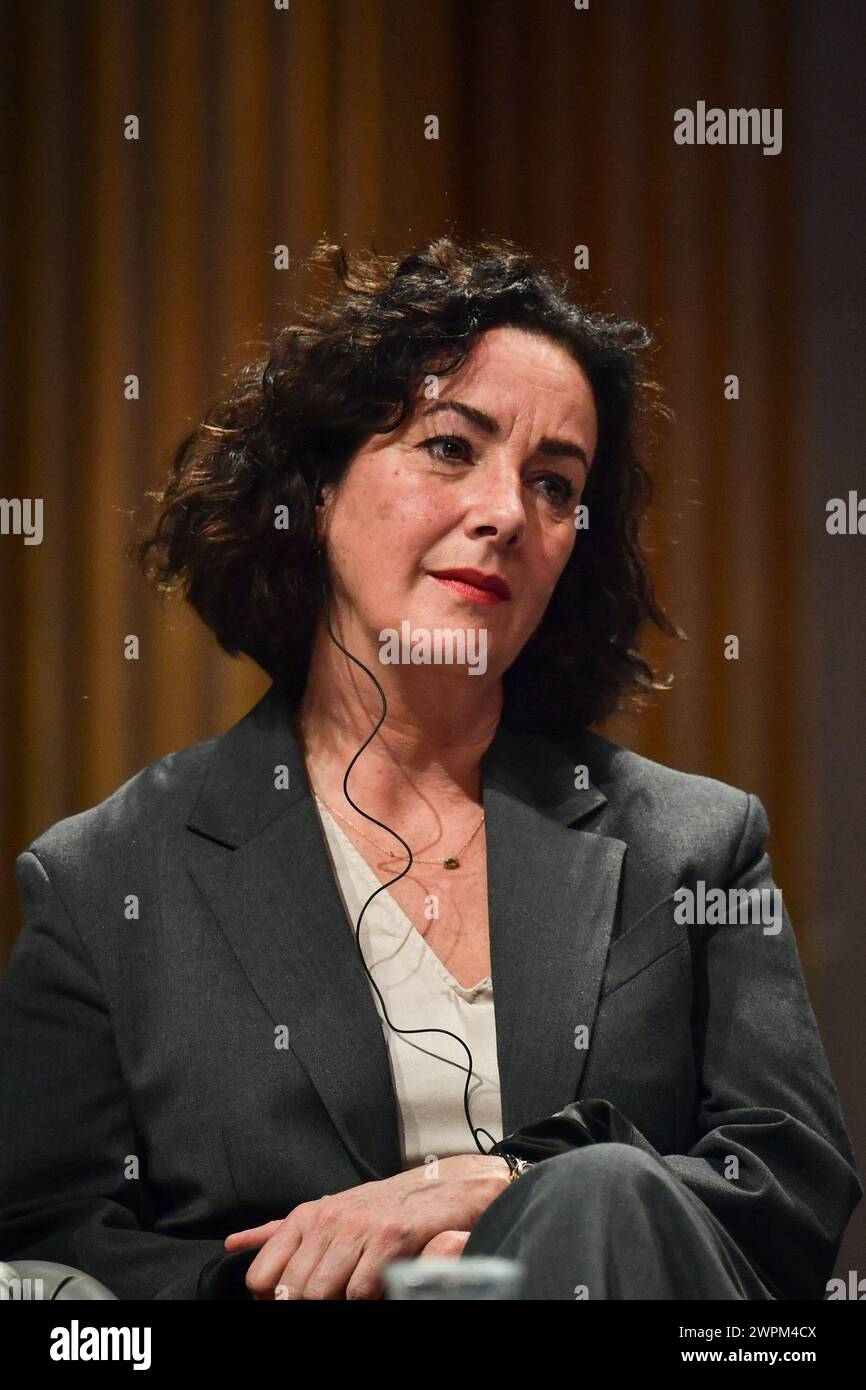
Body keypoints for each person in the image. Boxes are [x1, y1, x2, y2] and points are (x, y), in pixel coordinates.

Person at [0, 236, 861, 1301]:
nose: (506, 511)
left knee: (598, 1192)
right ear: (315, 491)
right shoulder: (104, 881)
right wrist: (341, 1280)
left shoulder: (692, 844)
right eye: (452, 448)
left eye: (553, 483)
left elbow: (789, 1181)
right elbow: (53, 1239)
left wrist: (494, 1185)